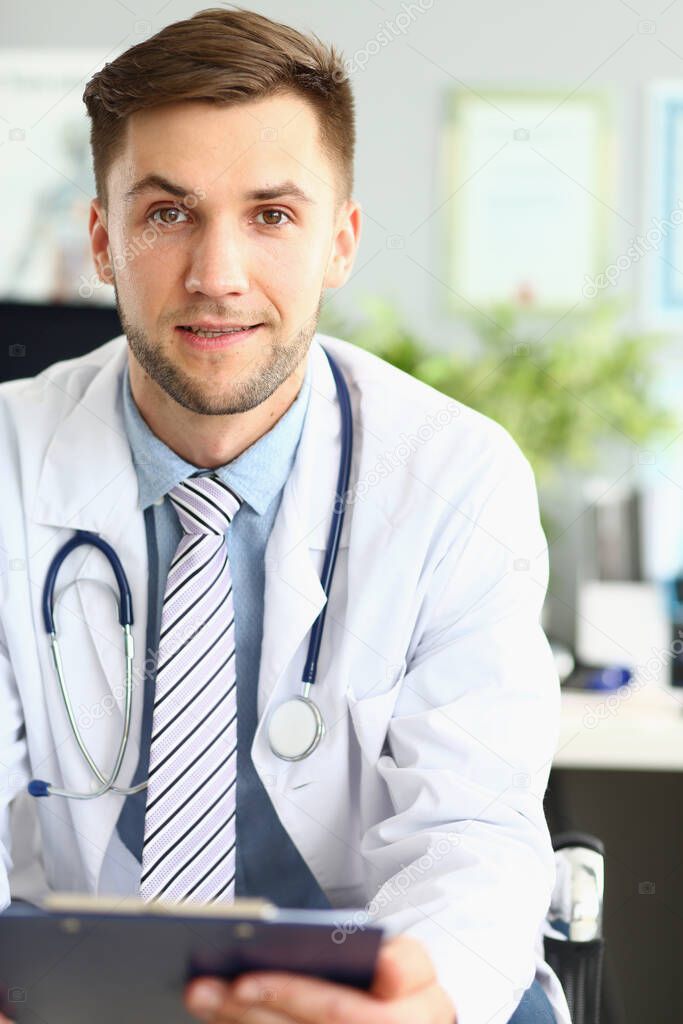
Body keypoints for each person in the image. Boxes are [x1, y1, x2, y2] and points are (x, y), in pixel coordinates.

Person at [0, 7, 570, 1024]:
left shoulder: (456, 476)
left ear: (339, 242)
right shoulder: (9, 461)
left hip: (358, 977)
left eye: (270, 215)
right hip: (66, 982)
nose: (216, 276)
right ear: (102, 240)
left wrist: (414, 1002)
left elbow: (471, 830)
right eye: (167, 213)